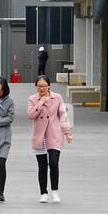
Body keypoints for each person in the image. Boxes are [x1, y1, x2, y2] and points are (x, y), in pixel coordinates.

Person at [27, 75, 72, 203]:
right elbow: (31, 115)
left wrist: (67, 132)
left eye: (43, 86)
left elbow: (63, 115)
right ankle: (43, 192)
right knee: (42, 166)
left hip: (54, 134)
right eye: (39, 86)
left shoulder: (57, 98)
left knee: (53, 163)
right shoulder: (32, 99)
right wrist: (39, 103)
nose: (41, 88)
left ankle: (55, 191)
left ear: (49, 86)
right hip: (39, 136)